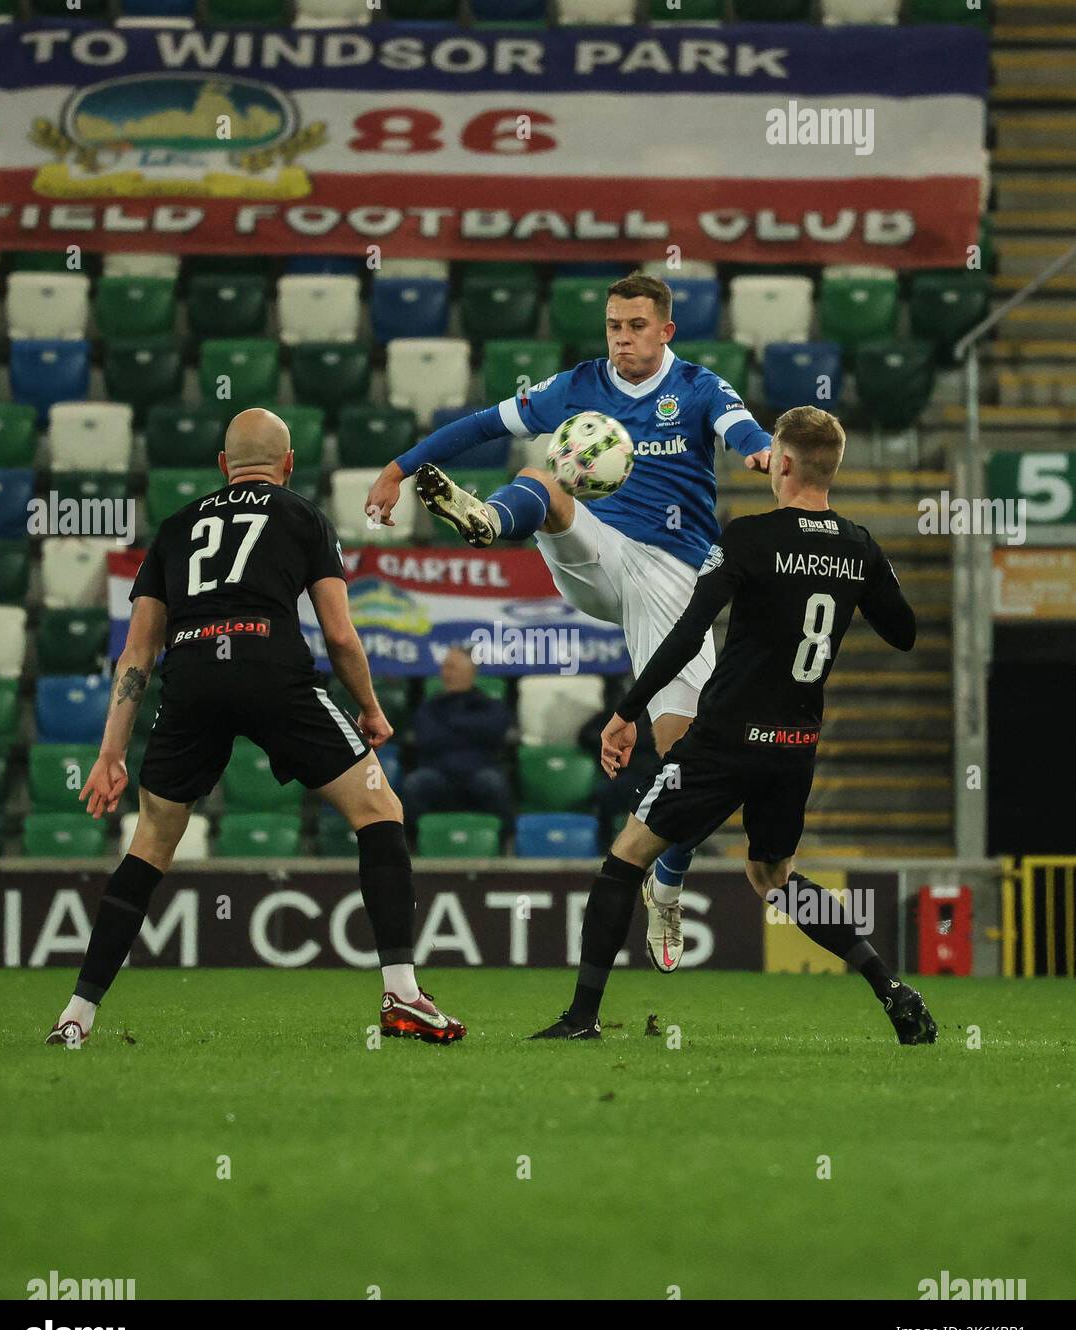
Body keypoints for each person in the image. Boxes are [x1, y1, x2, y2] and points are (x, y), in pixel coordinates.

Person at [364, 273, 772, 972]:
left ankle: (667, 881)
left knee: (690, 764)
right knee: (548, 476)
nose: (622, 337)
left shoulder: (699, 388)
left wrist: (761, 450)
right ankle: (490, 518)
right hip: (598, 557)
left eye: (637, 325)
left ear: (666, 331)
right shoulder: (579, 385)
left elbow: (740, 428)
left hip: (674, 581)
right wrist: (401, 466)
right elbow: (488, 421)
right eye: (614, 324)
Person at [46, 408, 465, 1048]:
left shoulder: (177, 527)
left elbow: (137, 654)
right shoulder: (302, 517)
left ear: (222, 466)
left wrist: (111, 751)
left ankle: (76, 1014)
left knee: (151, 842)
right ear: (289, 464)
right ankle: (403, 993)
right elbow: (340, 634)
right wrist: (371, 708)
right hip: (272, 669)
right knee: (380, 812)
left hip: (192, 679)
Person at [528, 405, 938, 1047]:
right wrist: (868, 568)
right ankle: (893, 990)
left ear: (786, 463)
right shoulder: (859, 546)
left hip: (723, 741)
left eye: (773, 452)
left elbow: (689, 633)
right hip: (795, 745)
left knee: (625, 859)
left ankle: (582, 1017)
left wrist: (627, 711)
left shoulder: (748, 538)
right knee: (773, 878)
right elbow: (905, 634)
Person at [402, 646, 513, 840]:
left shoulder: (489, 705)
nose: (445, 673)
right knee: (414, 784)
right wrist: (472, 731)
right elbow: (427, 738)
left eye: (451, 667)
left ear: (469, 672)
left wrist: (450, 723)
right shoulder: (430, 706)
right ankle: (412, 847)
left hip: (480, 772)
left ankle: (506, 845)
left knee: (494, 784)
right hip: (438, 774)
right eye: (444, 668)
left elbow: (494, 731)